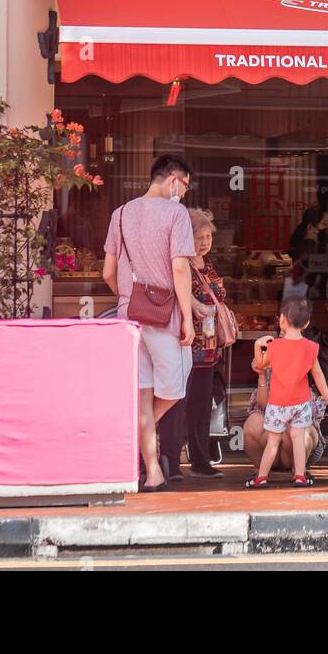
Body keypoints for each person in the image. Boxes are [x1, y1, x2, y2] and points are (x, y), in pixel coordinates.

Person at [102, 154, 195, 492]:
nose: (184, 193)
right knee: (175, 386)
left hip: (130, 317)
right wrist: (187, 317)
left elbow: (107, 273)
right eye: (185, 185)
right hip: (163, 314)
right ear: (173, 179)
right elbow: (180, 268)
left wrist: (128, 298)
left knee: (143, 394)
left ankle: (152, 470)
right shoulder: (176, 213)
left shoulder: (121, 213)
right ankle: (129, 437)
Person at [245, 298, 328, 488]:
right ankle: (299, 476)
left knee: (273, 440)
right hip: (301, 403)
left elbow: (261, 365)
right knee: (298, 438)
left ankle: (261, 477)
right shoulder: (311, 348)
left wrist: (257, 345)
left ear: (281, 320)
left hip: (278, 404)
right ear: (306, 323)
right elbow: (318, 374)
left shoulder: (274, 347)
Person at [173, 207, 227, 479]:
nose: (205, 242)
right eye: (199, 237)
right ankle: (172, 458)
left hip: (209, 347)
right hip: (188, 344)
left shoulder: (208, 265)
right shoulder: (181, 265)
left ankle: (200, 459)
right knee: (180, 403)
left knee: (202, 404)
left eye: (208, 237)